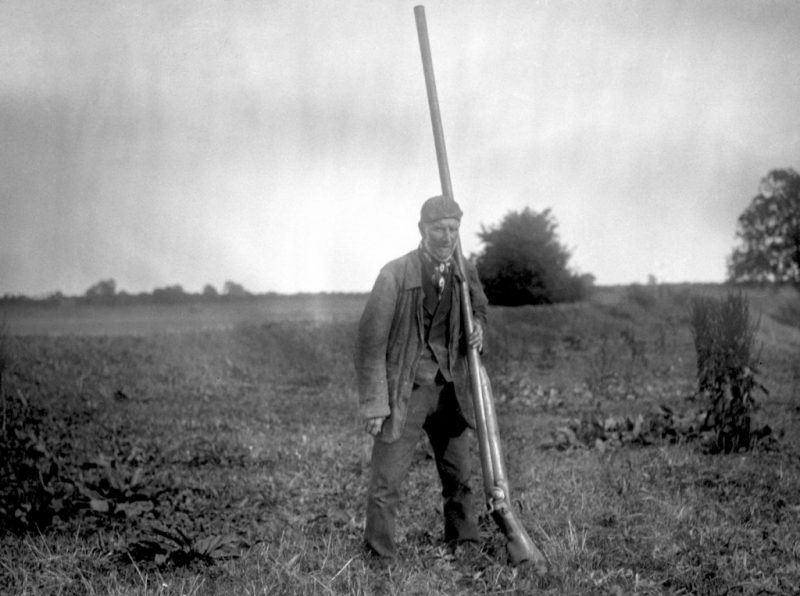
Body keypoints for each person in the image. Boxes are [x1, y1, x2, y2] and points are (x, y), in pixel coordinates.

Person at [355, 194, 489, 560]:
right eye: (439, 230)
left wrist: (478, 328)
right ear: (422, 230)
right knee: (387, 483)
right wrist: (374, 405)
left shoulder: (466, 271)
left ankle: (465, 545)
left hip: (451, 392)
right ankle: (380, 557)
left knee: (459, 477)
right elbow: (370, 344)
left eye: (453, 230)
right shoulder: (395, 274)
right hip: (405, 392)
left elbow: (480, 309)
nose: (447, 238)